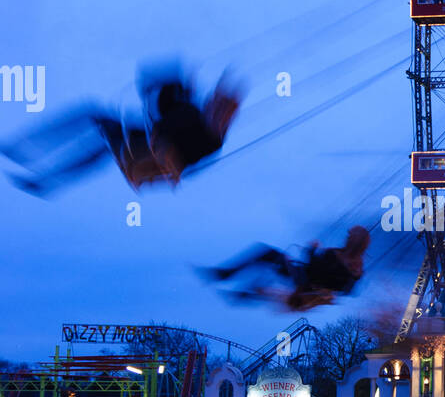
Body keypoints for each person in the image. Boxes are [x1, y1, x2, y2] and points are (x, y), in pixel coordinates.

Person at [3, 65, 243, 195]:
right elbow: (159, 110)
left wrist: (169, 158)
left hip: (148, 153)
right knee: (98, 129)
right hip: (144, 145)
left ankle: (39, 164)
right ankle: (37, 164)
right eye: (214, 100)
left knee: (99, 132)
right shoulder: (193, 113)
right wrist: (172, 88)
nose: (211, 102)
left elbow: (181, 149)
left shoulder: (204, 130)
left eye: (217, 104)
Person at [203, 226, 371, 314]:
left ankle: (238, 288)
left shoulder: (353, 265)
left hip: (308, 283)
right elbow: (314, 263)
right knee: (267, 253)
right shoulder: (337, 253)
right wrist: (311, 251)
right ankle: (231, 281)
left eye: (350, 237)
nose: (347, 239)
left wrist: (354, 277)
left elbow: (342, 287)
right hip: (303, 274)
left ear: (356, 241)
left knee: (272, 259)